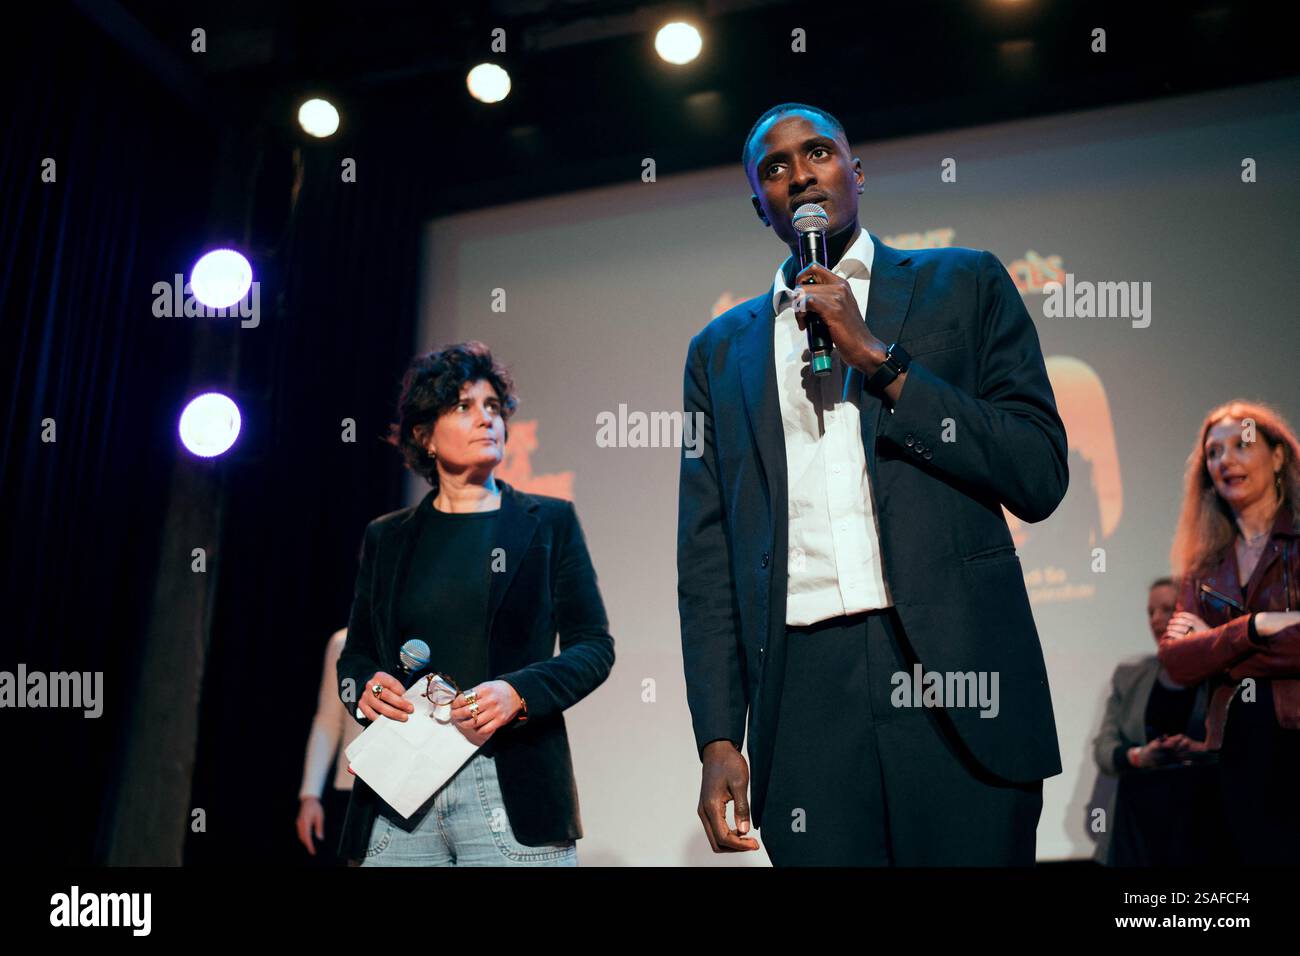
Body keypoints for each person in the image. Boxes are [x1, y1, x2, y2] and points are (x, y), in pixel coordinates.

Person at [677, 102, 1068, 865]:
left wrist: (879, 362)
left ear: (857, 171)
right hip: (805, 691)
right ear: (760, 206)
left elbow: (1038, 470)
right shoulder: (720, 352)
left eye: (817, 152)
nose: (799, 174)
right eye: (775, 168)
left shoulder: (966, 282)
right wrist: (720, 737)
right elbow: (707, 556)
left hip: (954, 673)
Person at [336, 342, 614, 866]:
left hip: (509, 787)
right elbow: (356, 656)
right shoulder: (387, 537)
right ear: (424, 436)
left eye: (493, 407)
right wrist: (366, 690)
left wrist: (517, 693)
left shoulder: (548, 523)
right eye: (463, 406)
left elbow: (593, 646)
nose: (485, 419)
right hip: (400, 794)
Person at [1158, 399, 1300, 864]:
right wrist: (1256, 627)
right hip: (1234, 752)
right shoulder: (1204, 566)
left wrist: (1216, 646)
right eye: (1214, 454)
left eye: (1241, 445)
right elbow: (1177, 661)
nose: (1226, 462)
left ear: (1278, 456)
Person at [1092, 578, 1212, 865]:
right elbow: (1105, 748)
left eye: (1167, 610)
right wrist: (1138, 757)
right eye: (1151, 612)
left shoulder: (1219, 677)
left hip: (1201, 820)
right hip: (1140, 828)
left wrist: (1200, 749)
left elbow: (1241, 745)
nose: (1157, 620)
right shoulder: (1129, 677)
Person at [296, 627, 363, 866]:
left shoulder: (422, 634)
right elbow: (329, 720)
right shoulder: (344, 641)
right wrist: (310, 795)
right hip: (356, 792)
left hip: (415, 790)